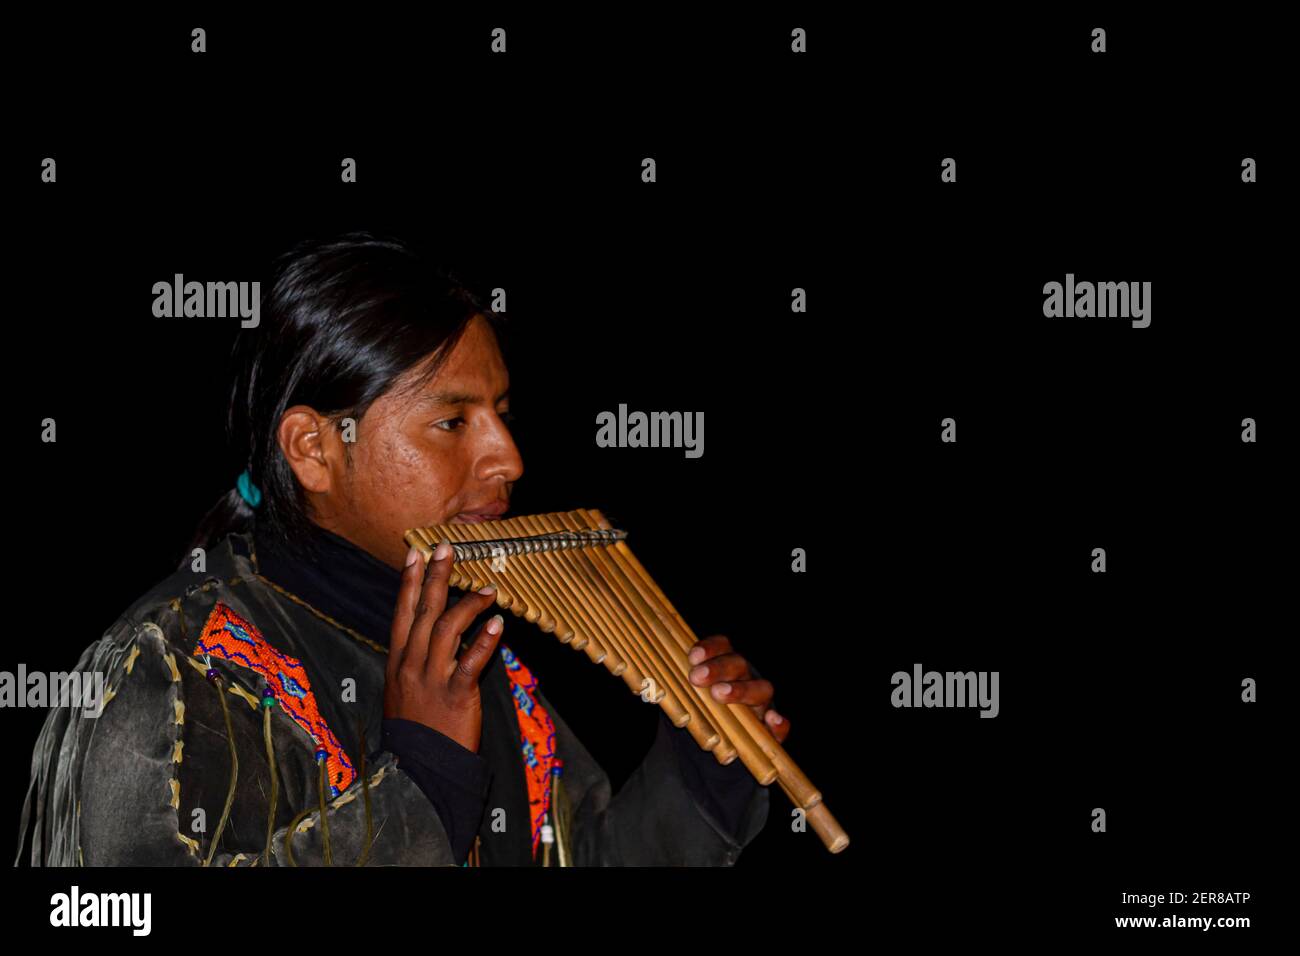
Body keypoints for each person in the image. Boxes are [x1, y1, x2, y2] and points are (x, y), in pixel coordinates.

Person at [16, 233, 789, 867]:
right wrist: (421, 786)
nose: (508, 458)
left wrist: (698, 774)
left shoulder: (469, 653)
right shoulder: (168, 666)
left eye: (503, 413)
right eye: (453, 422)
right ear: (314, 450)